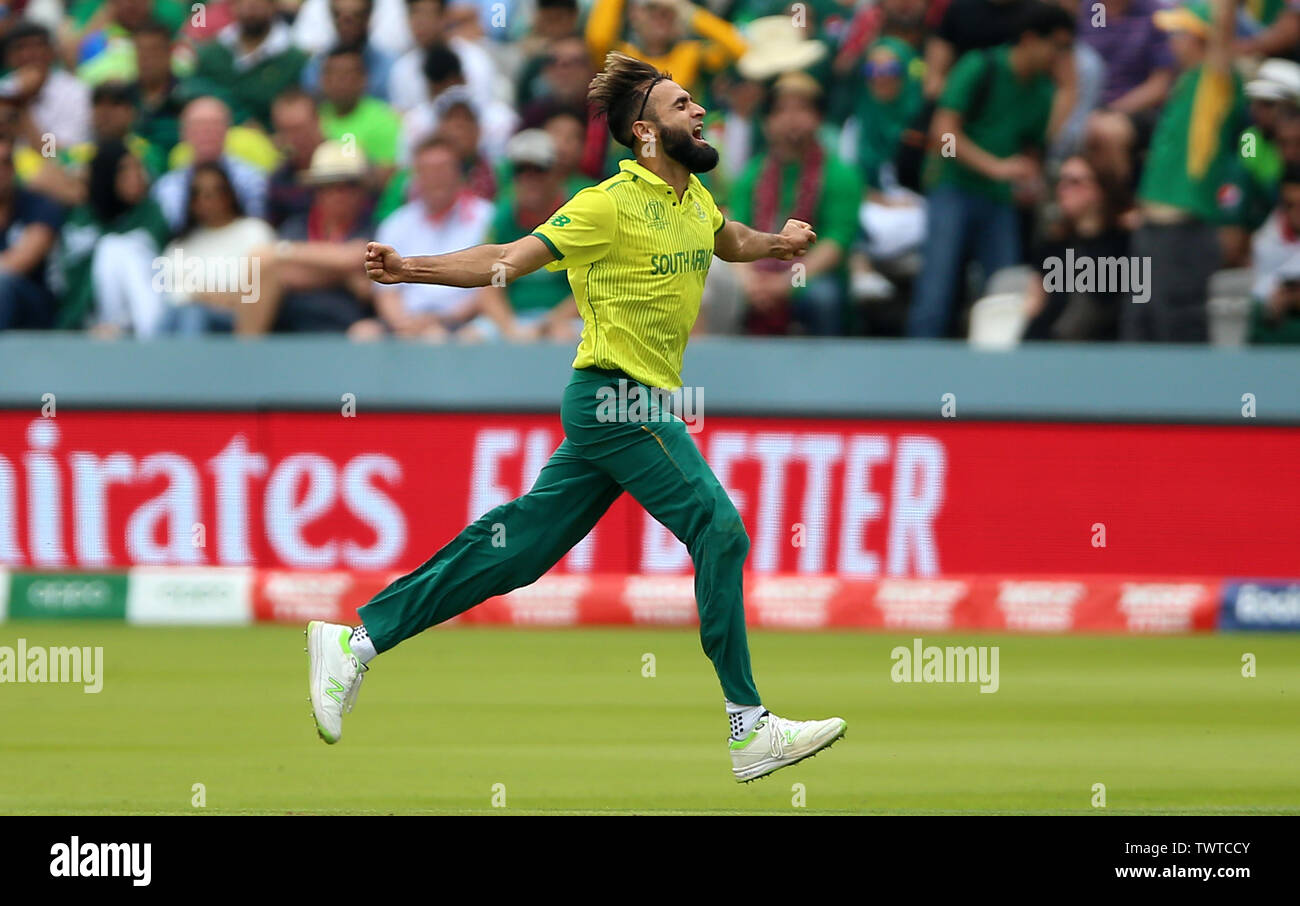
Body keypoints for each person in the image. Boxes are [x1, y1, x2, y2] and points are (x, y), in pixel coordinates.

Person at [307, 51, 846, 783]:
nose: (700, 112)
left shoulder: (698, 200)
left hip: (630, 404)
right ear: (644, 131)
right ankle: (750, 728)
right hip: (615, 397)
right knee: (720, 528)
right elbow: (507, 257)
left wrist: (777, 244)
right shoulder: (605, 205)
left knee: (519, 549)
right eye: (683, 104)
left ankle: (356, 642)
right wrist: (412, 270)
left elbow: (729, 240)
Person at [907, 2, 1073, 337]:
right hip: (952, 187)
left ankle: (1002, 380)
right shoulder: (979, 66)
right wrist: (996, 167)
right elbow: (944, 134)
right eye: (1056, 47)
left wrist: (1070, 91)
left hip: (999, 200)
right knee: (936, 290)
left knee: (1005, 294)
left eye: (1067, 49)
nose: (1061, 56)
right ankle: (916, 375)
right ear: (1029, 39)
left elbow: (1033, 149)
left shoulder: (1042, 92)